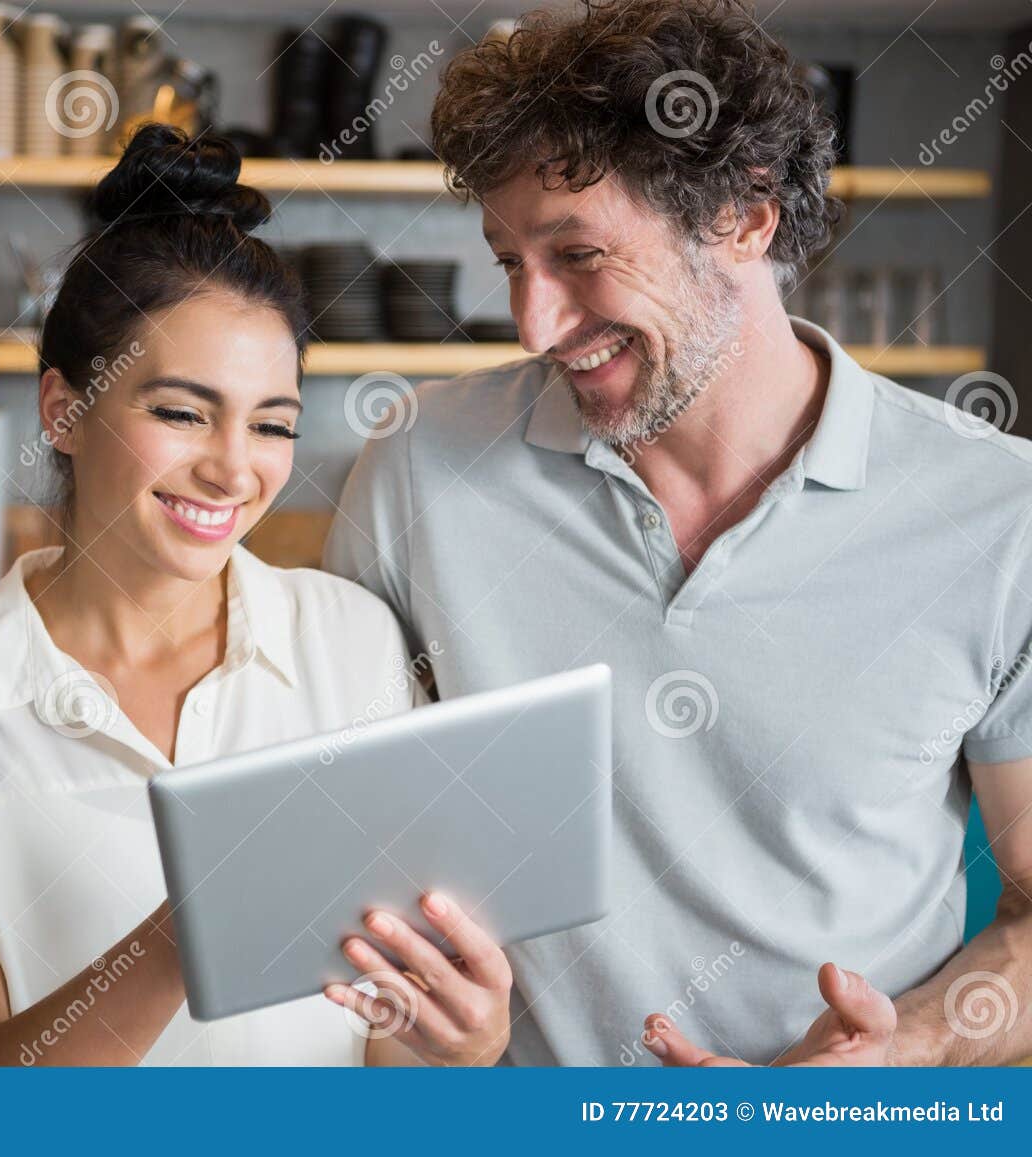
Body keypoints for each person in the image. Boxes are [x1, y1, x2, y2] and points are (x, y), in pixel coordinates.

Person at [325, 0, 1032, 1066]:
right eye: (511, 261)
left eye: (578, 253)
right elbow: (339, 837)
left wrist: (909, 1051)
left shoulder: (999, 511)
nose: (535, 323)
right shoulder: (420, 468)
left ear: (743, 220)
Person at [0, 125, 511, 1066]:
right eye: (183, 412)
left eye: (272, 424)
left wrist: (459, 1051)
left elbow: (387, 1054)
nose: (234, 469)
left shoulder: (352, 641)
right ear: (64, 411)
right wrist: (178, 941)